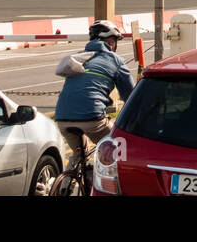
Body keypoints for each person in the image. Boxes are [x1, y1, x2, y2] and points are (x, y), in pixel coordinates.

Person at [53, 21, 136, 156]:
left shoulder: (78, 58)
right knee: (118, 154)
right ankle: (100, 175)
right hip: (92, 119)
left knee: (79, 155)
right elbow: (130, 97)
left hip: (62, 118)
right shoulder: (116, 60)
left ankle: (69, 175)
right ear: (110, 43)